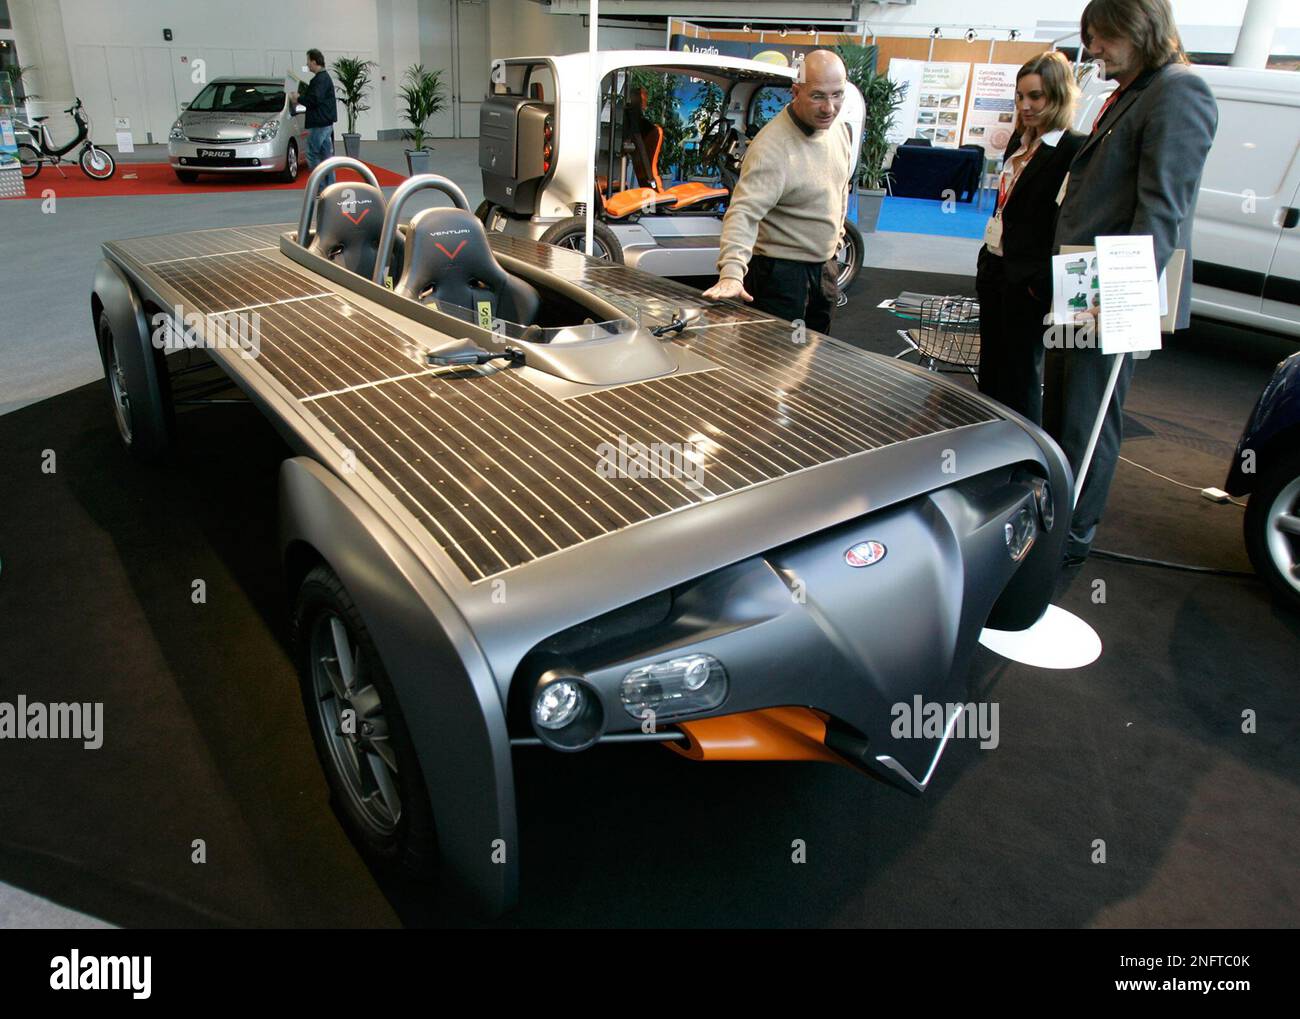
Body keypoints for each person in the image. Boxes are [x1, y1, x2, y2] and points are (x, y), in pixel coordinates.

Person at [1047, 0, 1217, 569]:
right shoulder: (1136, 90)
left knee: (1089, 415)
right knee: (1065, 407)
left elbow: (1162, 211)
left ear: (1137, 28)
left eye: (1101, 38)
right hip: (1083, 277)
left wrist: (1121, 303)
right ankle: (1055, 519)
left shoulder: (1178, 92)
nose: (1092, 51)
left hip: (1111, 285)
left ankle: (1071, 538)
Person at [702, 50, 855, 334]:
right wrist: (732, 273)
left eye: (837, 95)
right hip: (780, 275)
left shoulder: (839, 132)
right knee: (771, 365)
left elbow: (840, 188)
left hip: (823, 270)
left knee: (817, 356)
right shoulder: (772, 148)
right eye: (818, 96)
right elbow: (743, 214)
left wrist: (836, 241)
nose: (829, 108)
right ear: (795, 92)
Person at [974, 52, 1084, 425]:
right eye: (1020, 97)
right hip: (996, 268)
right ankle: (988, 450)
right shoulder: (1018, 143)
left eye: (1035, 96)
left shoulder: (1072, 150)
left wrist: (1042, 282)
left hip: (1029, 281)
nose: (1025, 105)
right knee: (991, 370)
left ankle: (1023, 463)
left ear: (1057, 95)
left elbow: (1068, 223)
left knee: (1021, 377)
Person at [290, 49, 338, 191]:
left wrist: (298, 98)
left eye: (308, 61)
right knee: (326, 157)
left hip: (319, 123)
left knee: (312, 154)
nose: (307, 64)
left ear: (314, 61)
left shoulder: (320, 79)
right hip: (324, 122)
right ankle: (330, 187)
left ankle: (320, 186)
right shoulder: (323, 78)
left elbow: (314, 99)